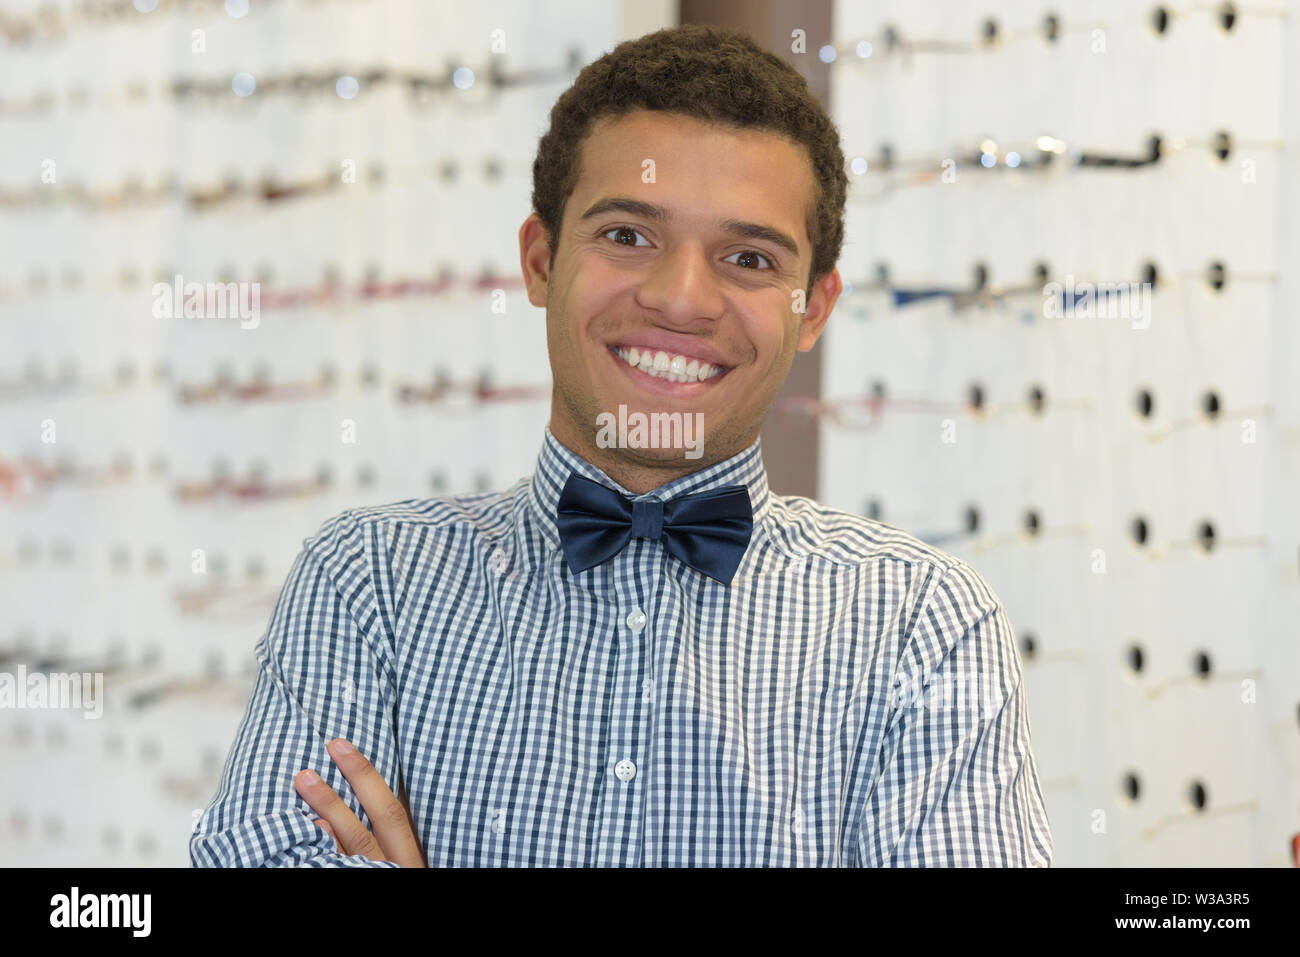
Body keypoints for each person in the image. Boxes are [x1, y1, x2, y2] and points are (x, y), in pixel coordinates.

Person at [191, 23, 1053, 867]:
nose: (681, 300)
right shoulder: (368, 580)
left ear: (813, 309)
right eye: (628, 236)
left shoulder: (920, 622)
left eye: (749, 258)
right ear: (540, 260)